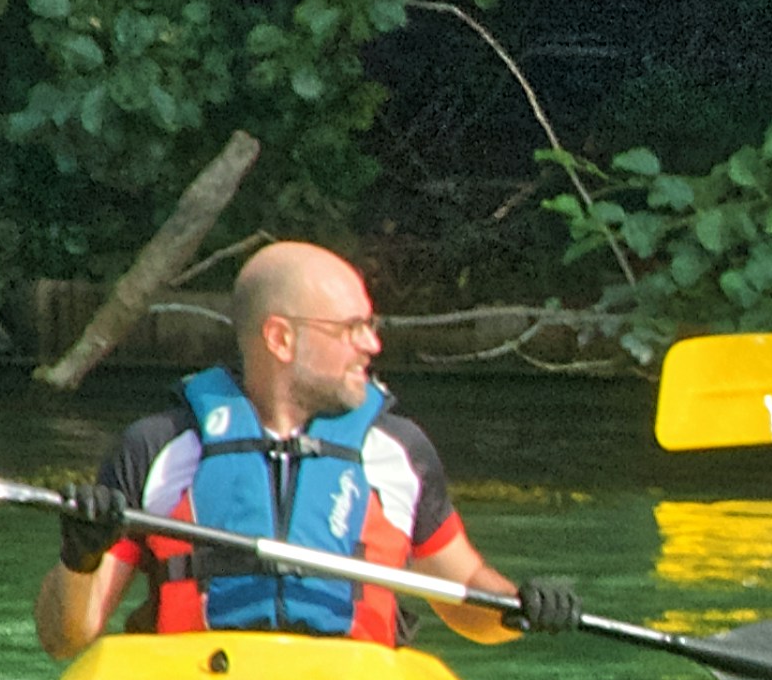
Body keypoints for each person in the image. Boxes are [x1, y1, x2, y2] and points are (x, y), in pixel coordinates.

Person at [39, 242, 570, 655]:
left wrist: (520, 607)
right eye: (351, 328)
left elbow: (466, 596)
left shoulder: (398, 452)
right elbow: (66, 639)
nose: (373, 344)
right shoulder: (159, 447)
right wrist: (79, 556)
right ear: (281, 339)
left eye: (370, 324)